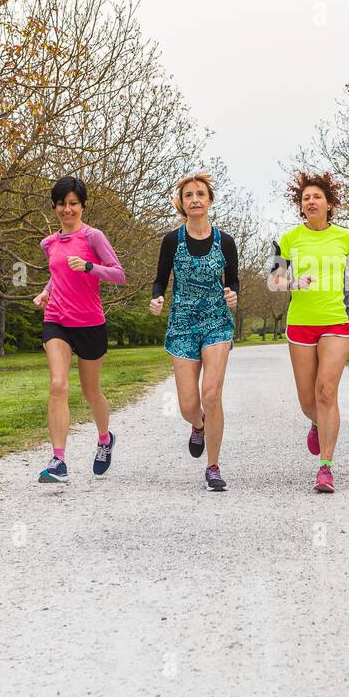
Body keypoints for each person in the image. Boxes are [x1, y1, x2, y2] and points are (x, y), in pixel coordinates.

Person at [269, 170, 349, 493]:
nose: (311, 201)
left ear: (329, 204)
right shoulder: (288, 239)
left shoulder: (345, 238)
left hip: (335, 321)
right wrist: (291, 282)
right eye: (305, 198)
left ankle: (325, 466)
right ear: (301, 206)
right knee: (307, 399)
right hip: (300, 324)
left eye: (317, 197)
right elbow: (273, 280)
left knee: (326, 391)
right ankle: (315, 422)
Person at [150, 172, 240, 492]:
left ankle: (213, 466)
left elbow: (233, 280)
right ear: (182, 203)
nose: (195, 199)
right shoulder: (172, 240)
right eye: (189, 195)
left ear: (210, 201)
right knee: (190, 404)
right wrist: (157, 296)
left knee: (211, 395)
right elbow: (160, 278)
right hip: (183, 322)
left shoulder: (225, 241)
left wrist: (232, 293)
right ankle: (198, 424)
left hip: (216, 320)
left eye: (200, 194)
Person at [32, 176, 126, 483]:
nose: (67, 209)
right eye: (61, 204)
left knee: (90, 390)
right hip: (57, 319)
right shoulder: (49, 243)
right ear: (55, 206)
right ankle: (58, 460)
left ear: (82, 205)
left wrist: (89, 267)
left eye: (73, 203)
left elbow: (118, 274)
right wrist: (47, 291)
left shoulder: (93, 237)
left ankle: (104, 439)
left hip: (89, 323)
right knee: (58, 384)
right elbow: (58, 274)